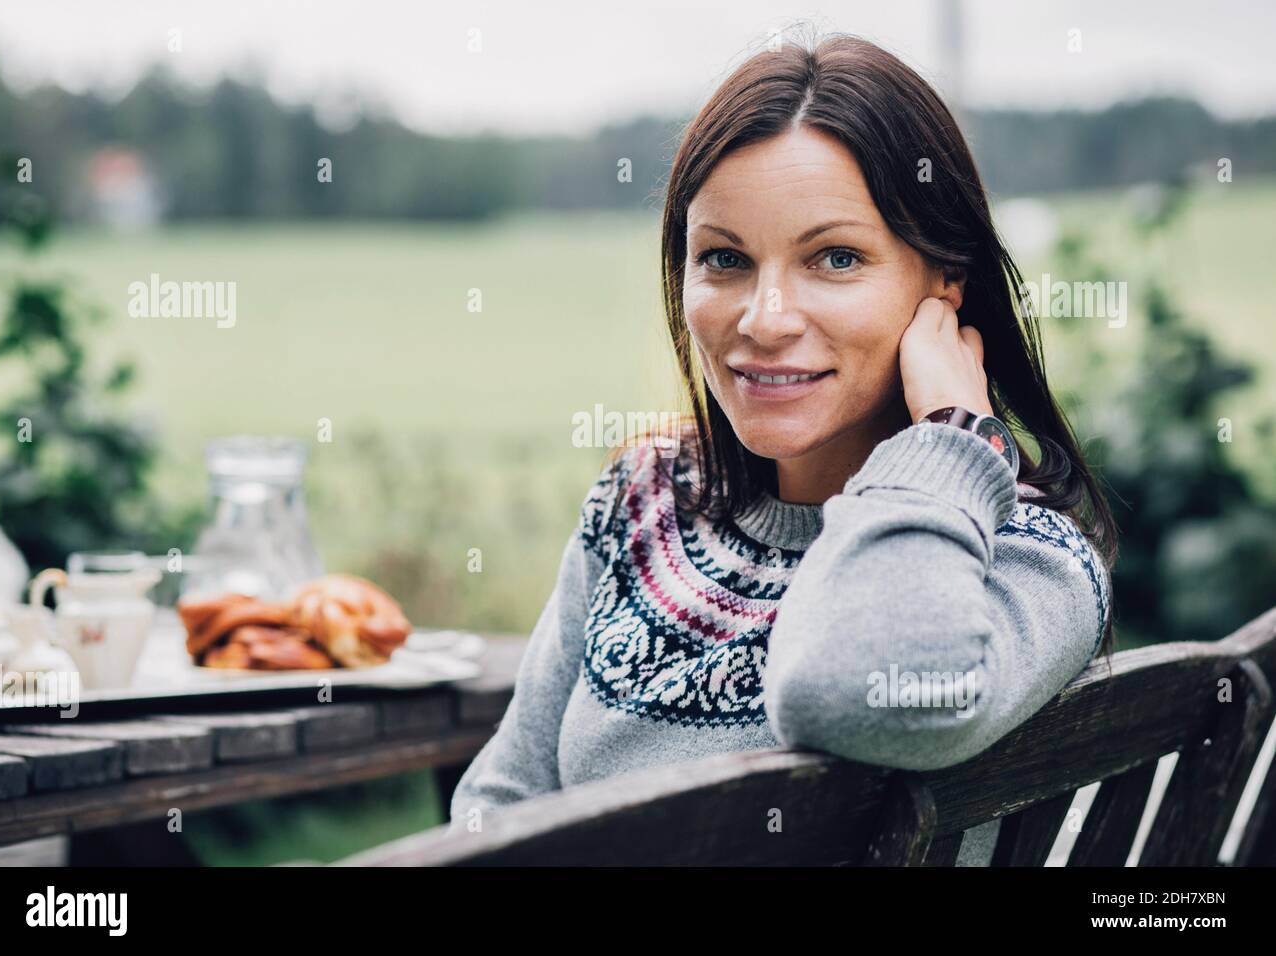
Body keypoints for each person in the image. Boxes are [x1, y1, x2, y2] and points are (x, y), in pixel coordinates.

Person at [448, 33, 1115, 865]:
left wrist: (951, 438)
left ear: (945, 282)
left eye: (835, 258)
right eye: (724, 258)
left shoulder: (1029, 559)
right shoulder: (642, 500)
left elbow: (850, 692)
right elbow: (503, 796)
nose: (764, 319)